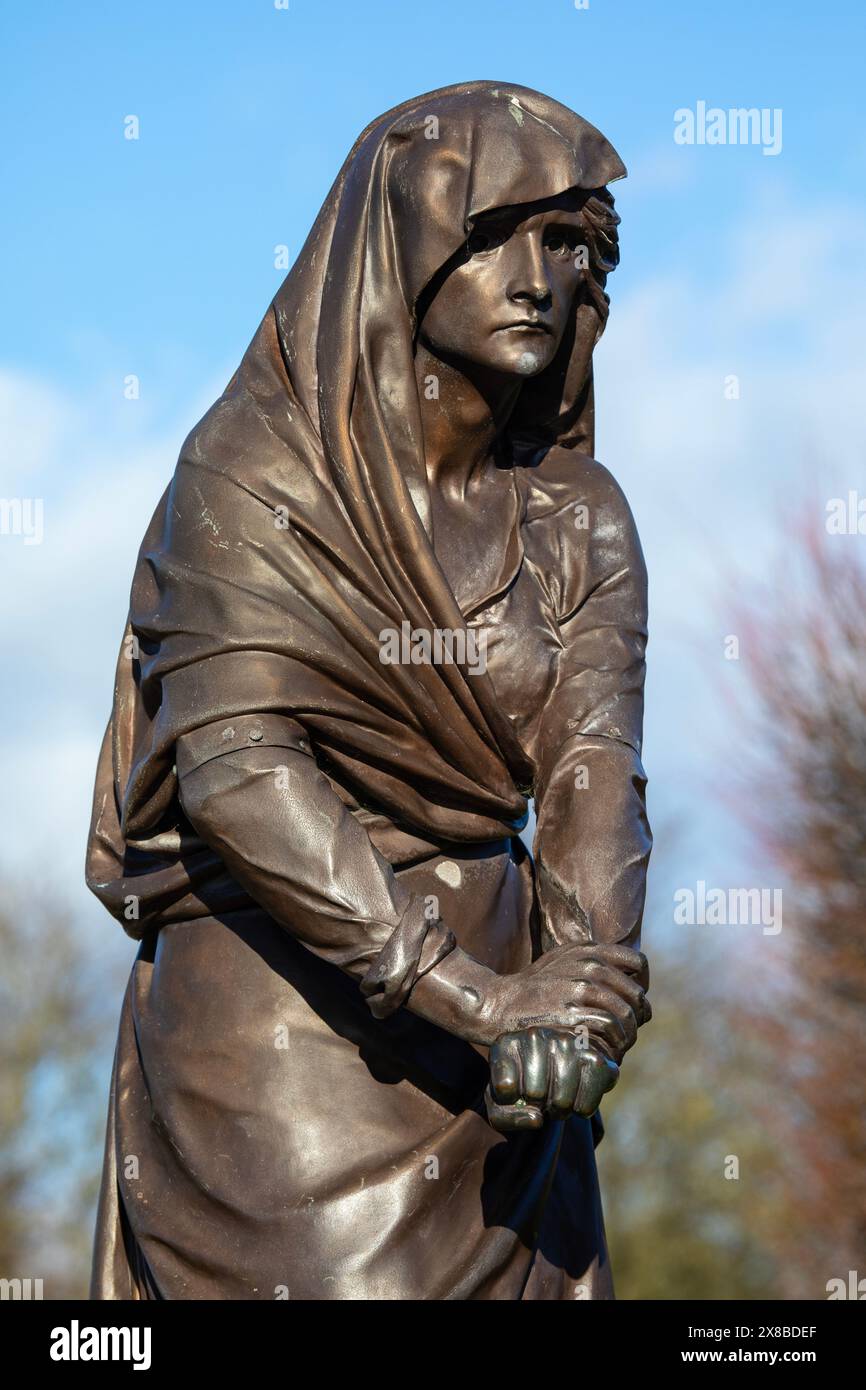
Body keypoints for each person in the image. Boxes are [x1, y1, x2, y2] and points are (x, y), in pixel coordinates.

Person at [86, 80, 652, 1301]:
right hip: (288, 1032)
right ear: (398, 242)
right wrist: (467, 998)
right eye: (496, 231)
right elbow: (238, 766)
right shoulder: (247, 476)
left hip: (514, 1074)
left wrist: (582, 1003)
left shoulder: (578, 519)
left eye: (566, 243)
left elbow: (591, 764)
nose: (537, 277)